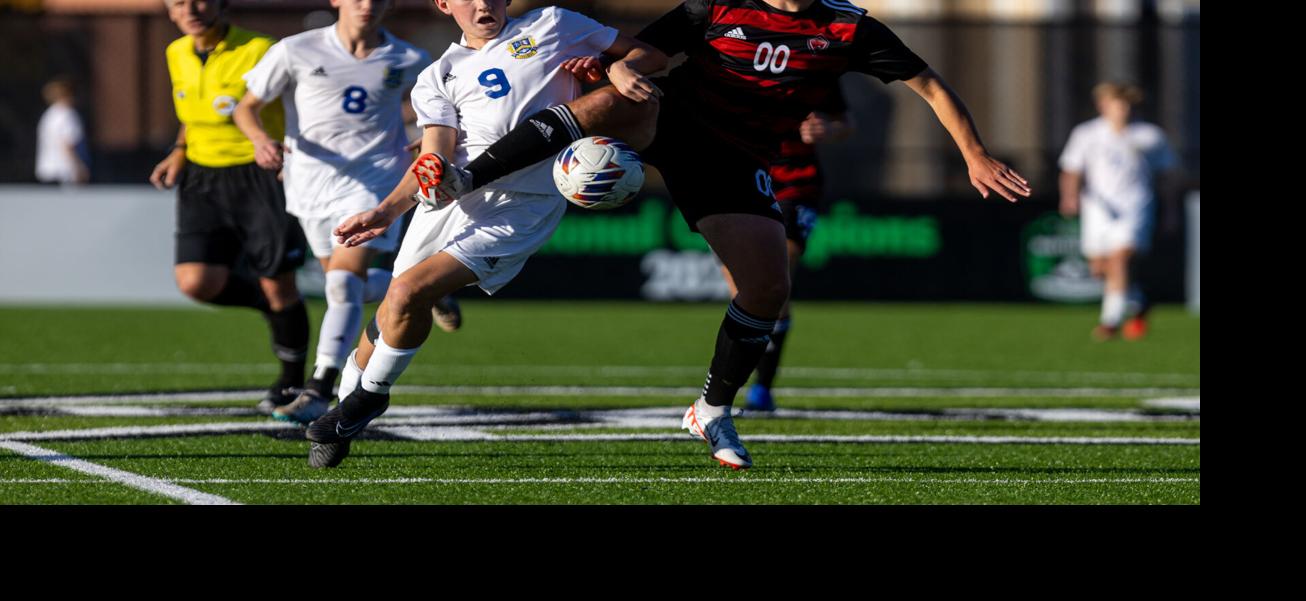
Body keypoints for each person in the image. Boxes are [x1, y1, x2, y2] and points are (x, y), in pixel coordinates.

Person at [404, 0, 1031, 469]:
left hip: (731, 159)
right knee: (612, 101)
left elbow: (927, 83)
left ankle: (712, 411)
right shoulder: (718, 5)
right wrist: (622, 71)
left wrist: (973, 154)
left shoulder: (848, 26)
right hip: (669, 119)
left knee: (766, 287)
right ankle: (467, 177)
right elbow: (648, 50)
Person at [306, 0, 668, 468]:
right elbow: (435, 156)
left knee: (408, 290)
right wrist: (386, 211)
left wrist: (618, 67)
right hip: (451, 200)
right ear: (443, 4)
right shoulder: (438, 76)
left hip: (520, 206)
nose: (483, 4)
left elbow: (650, 56)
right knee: (389, 314)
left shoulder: (553, 24)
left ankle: (369, 399)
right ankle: (346, 411)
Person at [232, 0, 454, 425]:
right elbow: (247, 107)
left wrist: (426, 136)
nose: (366, 5)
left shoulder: (410, 58)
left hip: (374, 182)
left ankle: (319, 388)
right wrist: (261, 140)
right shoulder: (295, 49)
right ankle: (428, 288)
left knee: (340, 285)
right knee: (339, 278)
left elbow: (436, 108)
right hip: (309, 184)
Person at [150, 0, 312, 415]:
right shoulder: (176, 52)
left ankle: (292, 382)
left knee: (281, 284)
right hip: (201, 179)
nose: (191, 9)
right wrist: (179, 150)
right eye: (179, 3)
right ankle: (271, 307)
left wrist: (290, 152)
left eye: (200, 0)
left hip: (259, 175)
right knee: (195, 282)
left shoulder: (261, 49)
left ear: (221, 5)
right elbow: (193, 111)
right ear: (169, 11)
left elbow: (303, 102)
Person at [728, 83, 853, 413]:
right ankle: (738, 381)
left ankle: (762, 389)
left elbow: (845, 123)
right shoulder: (727, 57)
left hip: (795, 185)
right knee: (744, 290)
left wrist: (828, 128)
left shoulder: (815, 62)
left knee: (775, 278)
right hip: (737, 180)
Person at [1057, 81, 1178, 341]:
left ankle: (1109, 323)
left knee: (1119, 260)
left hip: (1136, 207)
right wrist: (1070, 197)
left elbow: (1167, 178)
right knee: (1100, 269)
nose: (1122, 109)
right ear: (1103, 106)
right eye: (1116, 104)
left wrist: (1170, 211)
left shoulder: (1150, 136)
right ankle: (1139, 302)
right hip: (1097, 209)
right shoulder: (1086, 134)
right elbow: (1071, 170)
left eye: (1127, 104)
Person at [36, 79, 89, 186]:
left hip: (47, 171)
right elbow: (67, 145)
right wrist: (79, 167)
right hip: (64, 172)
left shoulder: (49, 115)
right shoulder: (67, 115)